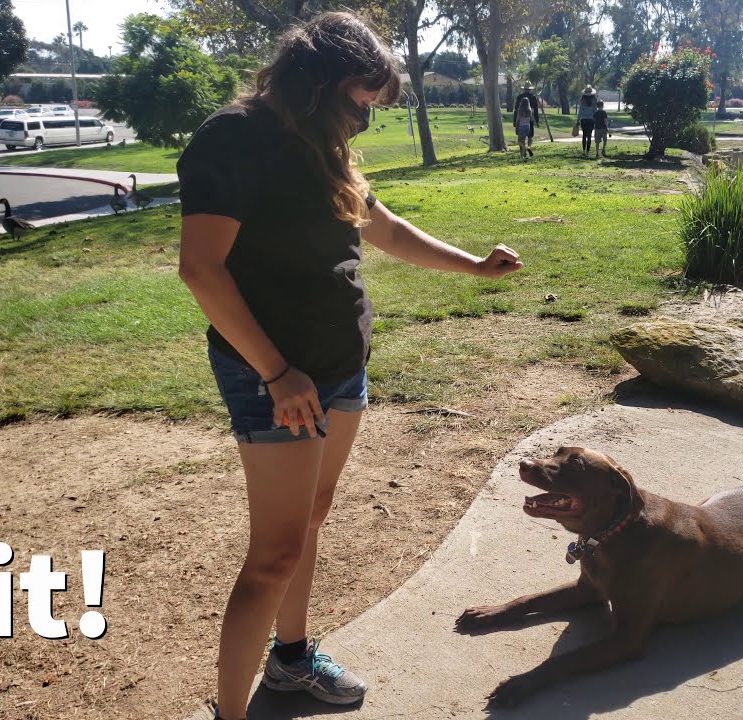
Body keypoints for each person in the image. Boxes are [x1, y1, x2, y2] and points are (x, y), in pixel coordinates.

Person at [175, 12, 524, 720]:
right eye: (358, 101)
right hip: (275, 378)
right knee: (274, 553)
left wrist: (473, 267)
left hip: (338, 367)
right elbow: (201, 270)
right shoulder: (232, 139)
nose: (363, 119)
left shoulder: (321, 142)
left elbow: (382, 226)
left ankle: (292, 662)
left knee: (312, 519)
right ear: (316, 82)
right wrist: (276, 372)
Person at [514, 81, 540, 157]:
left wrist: (515, 121)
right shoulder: (533, 98)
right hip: (529, 120)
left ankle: (522, 152)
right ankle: (529, 146)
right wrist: (537, 120)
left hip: (521, 121)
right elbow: (536, 110)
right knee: (530, 136)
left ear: (524, 89)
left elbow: (516, 110)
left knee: (521, 138)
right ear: (530, 89)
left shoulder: (519, 97)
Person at [576, 85, 598, 158]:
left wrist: (578, 120)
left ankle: (583, 151)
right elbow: (595, 111)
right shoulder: (594, 101)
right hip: (591, 120)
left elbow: (580, 111)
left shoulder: (582, 100)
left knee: (584, 135)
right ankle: (588, 152)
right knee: (589, 136)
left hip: (584, 120)